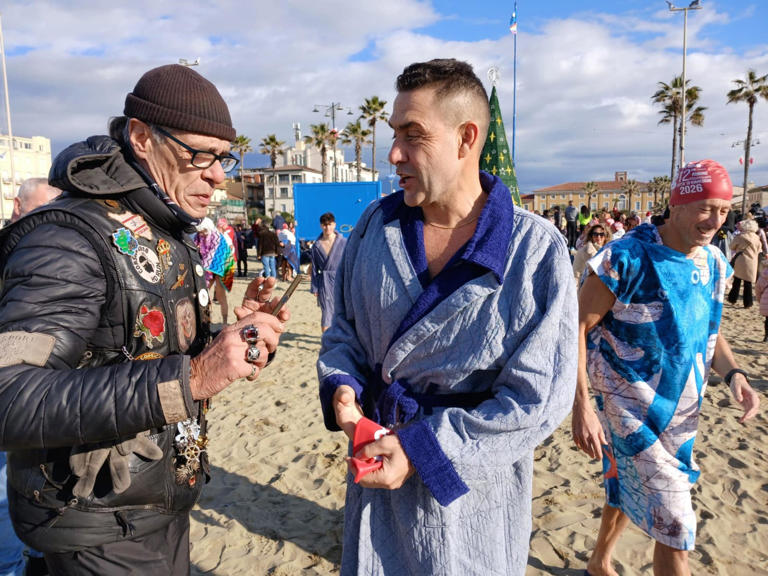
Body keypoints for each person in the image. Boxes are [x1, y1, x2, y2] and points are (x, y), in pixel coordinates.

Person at [0, 64, 289, 575]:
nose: (218, 174)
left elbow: (140, 346)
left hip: (154, 503)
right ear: (141, 137)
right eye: (199, 154)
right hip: (92, 522)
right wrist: (194, 377)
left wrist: (223, 338)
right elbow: (10, 396)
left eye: (224, 157)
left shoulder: (162, 224)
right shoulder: (69, 239)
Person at [317, 58, 577, 575]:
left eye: (413, 136)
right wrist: (343, 385)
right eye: (394, 134)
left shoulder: (535, 253)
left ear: (466, 138)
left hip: (470, 493)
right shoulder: (375, 226)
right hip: (374, 478)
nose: (394, 154)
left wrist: (418, 448)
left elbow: (538, 400)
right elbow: (341, 326)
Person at [571, 159, 760, 576]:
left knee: (625, 488)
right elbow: (577, 330)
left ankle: (599, 561)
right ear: (677, 206)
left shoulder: (712, 262)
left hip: (681, 412)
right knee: (675, 529)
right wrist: (581, 405)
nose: (715, 220)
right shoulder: (625, 258)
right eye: (705, 207)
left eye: (725, 211)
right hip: (626, 411)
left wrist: (736, 375)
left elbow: (708, 332)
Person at [0, 179, 61, 576]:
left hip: (48, 395)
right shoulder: (9, 251)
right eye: (45, 211)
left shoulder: (56, 250)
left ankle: (38, 559)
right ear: (20, 207)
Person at [309, 212, 347, 332]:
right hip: (324, 282)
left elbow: (350, 263)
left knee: (342, 312)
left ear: (334, 225)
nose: (327, 228)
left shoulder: (344, 242)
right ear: (321, 226)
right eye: (325, 225)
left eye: (330, 224)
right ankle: (326, 341)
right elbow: (314, 268)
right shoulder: (316, 245)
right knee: (326, 314)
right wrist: (315, 287)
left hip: (342, 281)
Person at [194, 217, 235, 325]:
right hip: (208, 267)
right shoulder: (198, 235)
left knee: (221, 296)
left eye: (203, 231)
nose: (201, 234)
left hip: (221, 265)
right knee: (203, 293)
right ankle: (206, 320)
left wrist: (203, 267)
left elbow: (212, 254)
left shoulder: (217, 236)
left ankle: (225, 322)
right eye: (200, 232)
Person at [728, 215, 762, 308]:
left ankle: (732, 298)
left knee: (737, 281)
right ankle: (748, 303)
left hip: (741, 260)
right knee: (748, 284)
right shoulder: (757, 238)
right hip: (752, 262)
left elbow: (731, 246)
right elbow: (759, 249)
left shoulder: (740, 236)